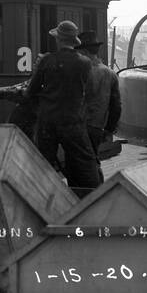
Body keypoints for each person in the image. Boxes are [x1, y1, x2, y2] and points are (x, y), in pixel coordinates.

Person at [26, 20, 102, 192]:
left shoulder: (47, 61)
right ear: (74, 41)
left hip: (48, 121)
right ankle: (90, 196)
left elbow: (31, 91)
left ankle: (38, 197)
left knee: (42, 164)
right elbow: (89, 92)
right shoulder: (84, 63)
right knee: (84, 162)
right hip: (73, 121)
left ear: (58, 40)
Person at [77, 31, 121, 159]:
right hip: (98, 127)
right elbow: (116, 107)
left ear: (84, 51)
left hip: (79, 126)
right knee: (94, 159)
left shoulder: (80, 71)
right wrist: (109, 129)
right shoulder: (110, 73)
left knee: (80, 163)